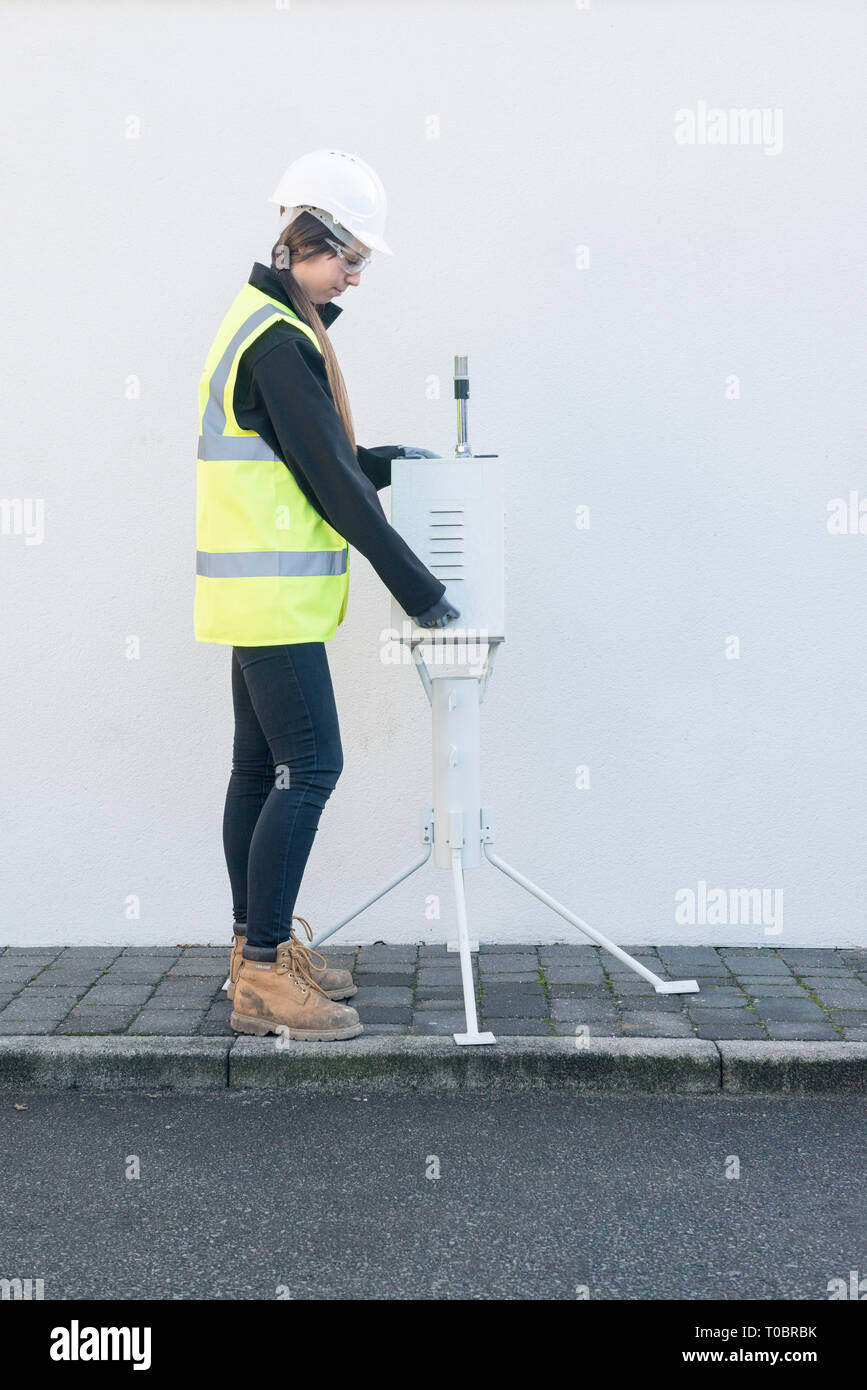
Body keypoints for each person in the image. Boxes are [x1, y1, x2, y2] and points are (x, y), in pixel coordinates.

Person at [194, 149, 459, 1042]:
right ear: (305, 239)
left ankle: (251, 950)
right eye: (349, 256)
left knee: (256, 772)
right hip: (271, 602)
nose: (356, 273)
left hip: (254, 597)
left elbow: (318, 464)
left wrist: (382, 462)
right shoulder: (279, 342)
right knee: (311, 769)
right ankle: (264, 975)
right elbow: (332, 489)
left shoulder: (266, 322)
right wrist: (422, 591)